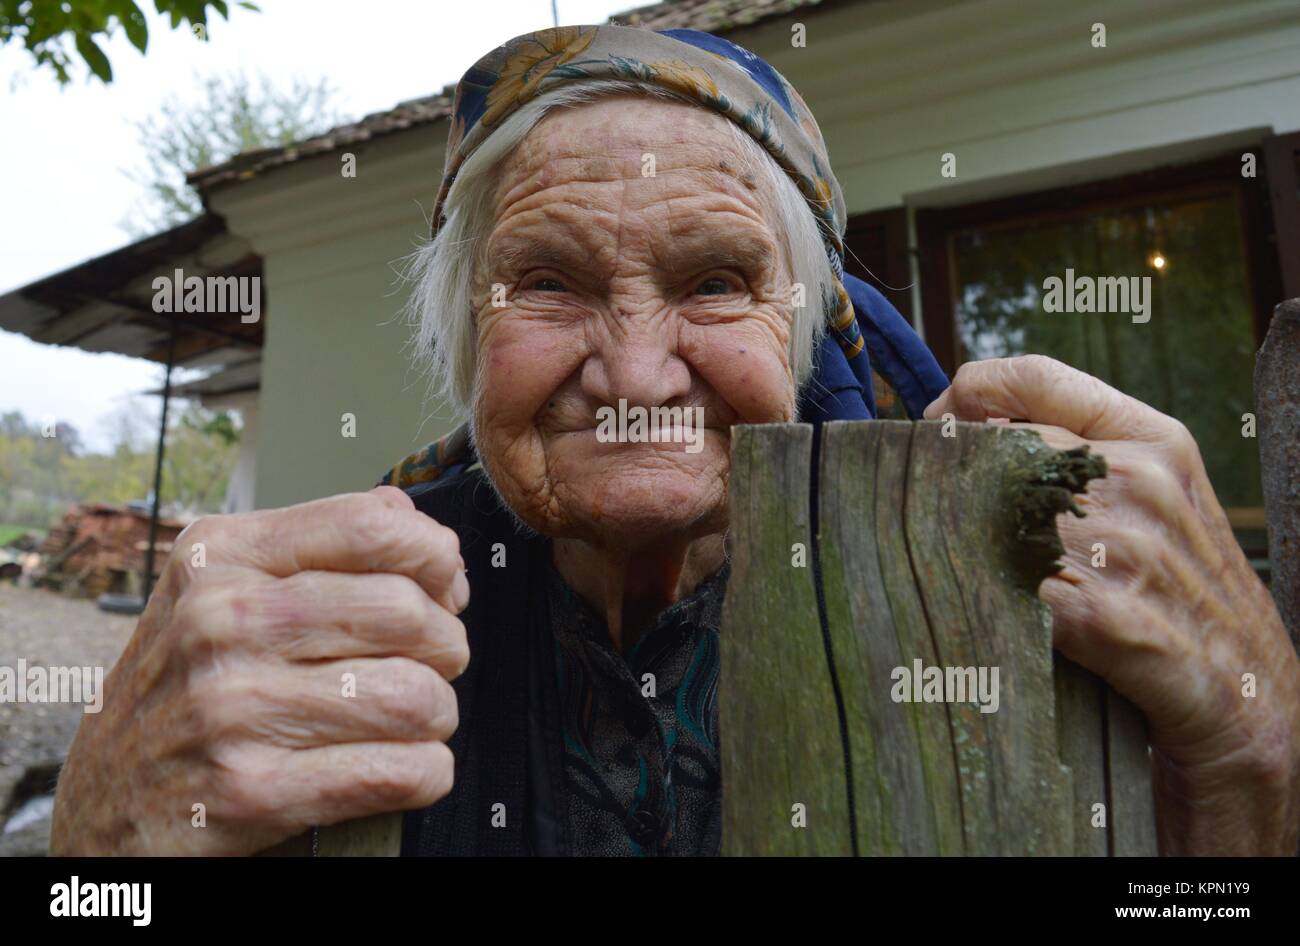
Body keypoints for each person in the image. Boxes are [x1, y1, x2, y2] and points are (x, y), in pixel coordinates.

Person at [51, 25, 1299, 857]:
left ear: (802, 325)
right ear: (457, 336)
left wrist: (1259, 752)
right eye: (546, 282)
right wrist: (91, 844)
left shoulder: (990, 580)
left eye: (712, 282)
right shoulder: (340, 619)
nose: (638, 370)